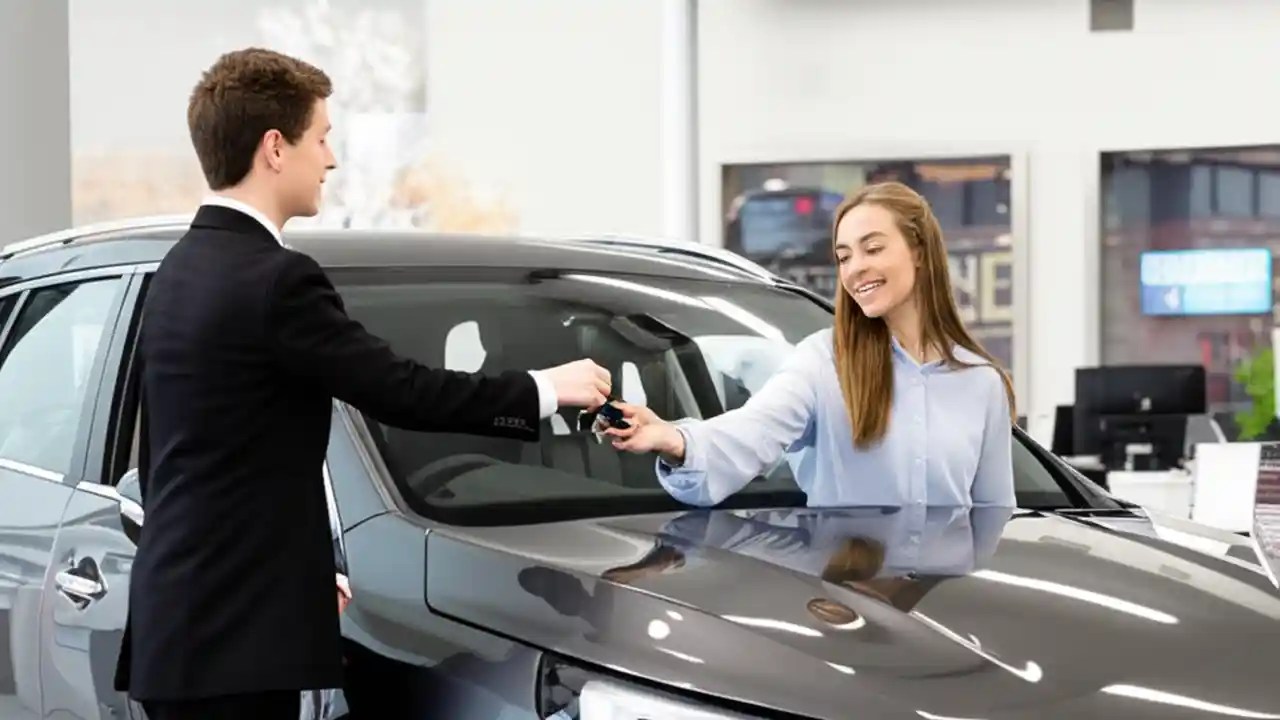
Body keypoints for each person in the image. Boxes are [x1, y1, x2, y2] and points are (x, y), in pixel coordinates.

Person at [112, 47, 611, 719]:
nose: (332, 158)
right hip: (237, 643)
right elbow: (401, 390)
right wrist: (546, 389)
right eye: (321, 137)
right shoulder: (276, 280)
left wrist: (300, 575)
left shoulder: (179, 270)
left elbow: (192, 464)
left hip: (183, 629)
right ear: (274, 149)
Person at [607, 181, 1016, 508]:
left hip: (948, 605)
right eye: (843, 257)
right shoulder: (824, 362)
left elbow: (995, 519)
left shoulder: (982, 382)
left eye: (872, 249)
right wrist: (673, 440)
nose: (856, 269)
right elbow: (752, 433)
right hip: (849, 600)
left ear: (920, 252)